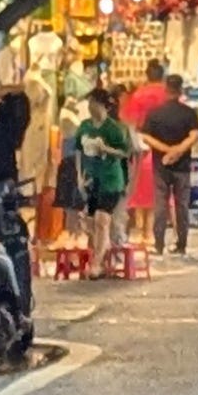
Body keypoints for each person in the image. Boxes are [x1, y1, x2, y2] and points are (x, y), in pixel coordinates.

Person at [132, 68, 198, 257]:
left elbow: (146, 137)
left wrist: (165, 150)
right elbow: (195, 135)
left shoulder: (155, 114)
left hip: (160, 164)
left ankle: (159, 245)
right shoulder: (188, 113)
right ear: (180, 90)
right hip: (182, 166)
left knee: (161, 205)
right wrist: (178, 150)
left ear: (166, 89)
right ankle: (181, 245)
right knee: (181, 205)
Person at [68, 85, 136, 266]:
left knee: (102, 219)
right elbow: (78, 152)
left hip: (111, 181)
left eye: (94, 103)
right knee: (90, 222)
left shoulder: (113, 128)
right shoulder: (84, 126)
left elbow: (125, 153)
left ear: (104, 106)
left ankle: (96, 264)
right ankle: (102, 255)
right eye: (89, 103)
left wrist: (106, 149)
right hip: (91, 180)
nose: (91, 107)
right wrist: (79, 176)